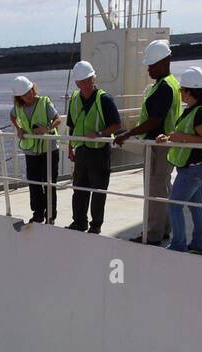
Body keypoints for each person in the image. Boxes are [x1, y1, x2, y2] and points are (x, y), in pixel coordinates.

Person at [115, 39, 180, 245]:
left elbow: (154, 121)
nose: (149, 69)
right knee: (163, 188)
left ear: (165, 61)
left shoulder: (164, 88)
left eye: (151, 65)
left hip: (158, 146)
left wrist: (128, 134)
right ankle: (164, 230)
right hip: (163, 144)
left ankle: (152, 235)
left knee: (155, 192)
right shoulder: (168, 84)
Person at [156, 67, 202, 256]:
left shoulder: (200, 113)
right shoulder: (194, 110)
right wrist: (169, 137)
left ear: (190, 91)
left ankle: (179, 244)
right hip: (193, 168)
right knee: (195, 207)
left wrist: (180, 136)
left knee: (174, 205)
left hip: (193, 170)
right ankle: (199, 245)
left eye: (182, 89)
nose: (180, 92)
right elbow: (187, 134)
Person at [66, 60, 121, 234]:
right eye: (83, 82)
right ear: (77, 83)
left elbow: (116, 124)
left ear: (93, 78)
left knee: (98, 190)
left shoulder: (103, 98)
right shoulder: (74, 99)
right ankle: (79, 222)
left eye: (89, 80)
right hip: (82, 150)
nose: (87, 84)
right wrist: (70, 147)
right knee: (79, 189)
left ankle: (95, 225)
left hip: (99, 151)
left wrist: (99, 133)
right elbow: (72, 126)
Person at [9, 76, 61, 224]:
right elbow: (12, 116)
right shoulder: (18, 107)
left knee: (49, 184)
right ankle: (38, 214)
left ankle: (50, 216)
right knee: (34, 183)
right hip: (31, 151)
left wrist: (47, 129)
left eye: (30, 92)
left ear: (33, 89)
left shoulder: (44, 102)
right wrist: (19, 128)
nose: (29, 96)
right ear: (19, 97)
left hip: (48, 150)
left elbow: (58, 119)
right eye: (25, 94)